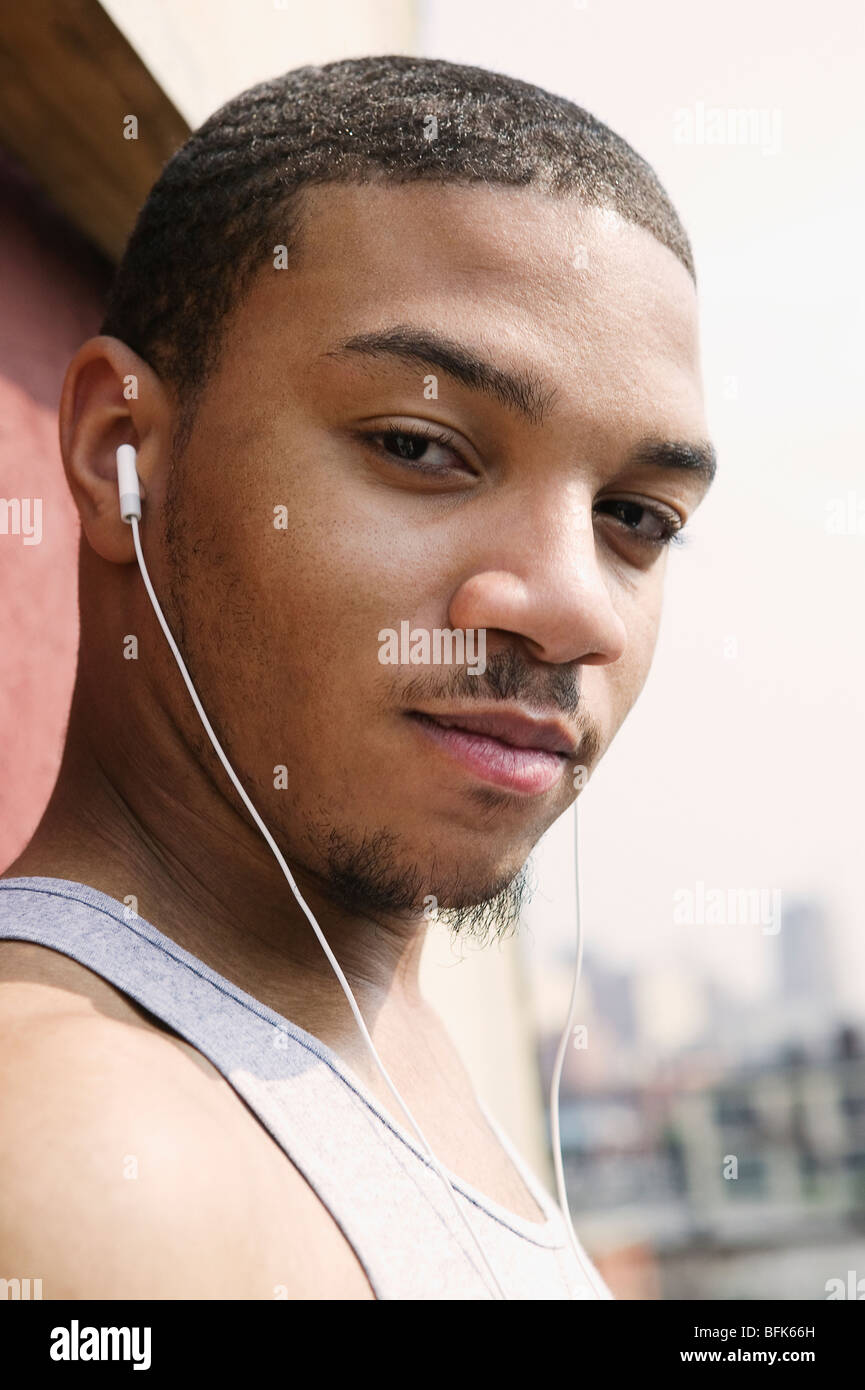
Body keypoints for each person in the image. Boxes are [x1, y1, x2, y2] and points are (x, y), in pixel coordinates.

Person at [0, 55, 716, 1299]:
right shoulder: (90, 1146)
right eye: (419, 446)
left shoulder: (365, 1039)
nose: (571, 608)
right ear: (126, 451)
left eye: (636, 517)